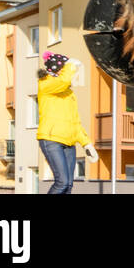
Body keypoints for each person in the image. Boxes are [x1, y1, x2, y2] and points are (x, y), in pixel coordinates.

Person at [37, 52, 97, 194]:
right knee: (62, 182)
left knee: (68, 185)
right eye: (69, 71)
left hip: (69, 143)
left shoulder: (69, 94)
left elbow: (75, 122)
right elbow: (62, 82)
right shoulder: (45, 83)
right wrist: (70, 65)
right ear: (60, 70)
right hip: (51, 139)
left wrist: (86, 143)